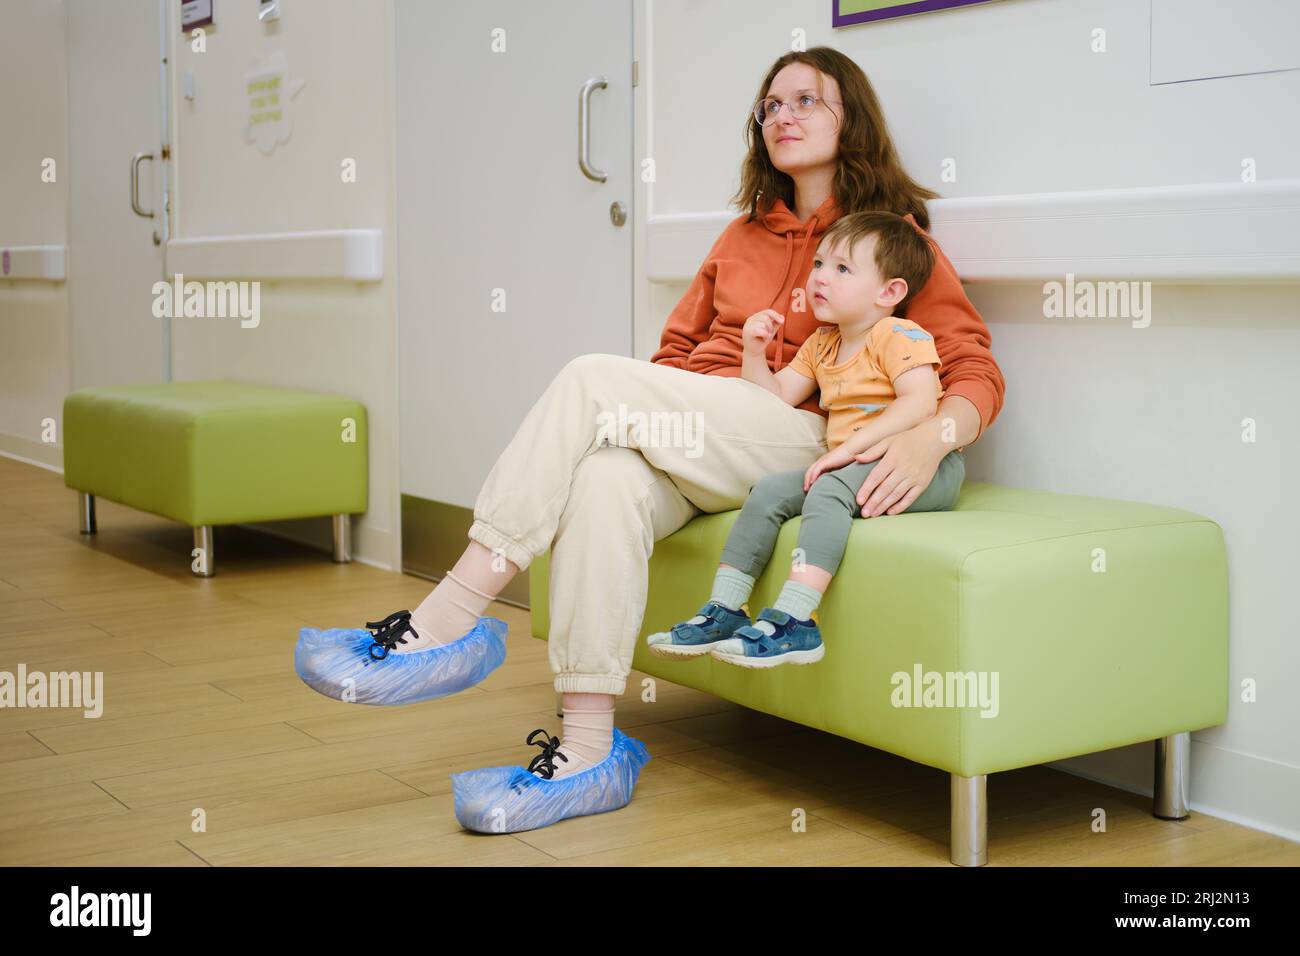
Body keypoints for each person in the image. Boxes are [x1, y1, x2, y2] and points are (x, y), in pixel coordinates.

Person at [294, 46, 1007, 834]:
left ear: (854, 120)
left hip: (803, 438)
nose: (784, 117)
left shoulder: (889, 240)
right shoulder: (740, 236)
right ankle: (588, 751)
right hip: (711, 427)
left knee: (591, 378)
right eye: (770, 106)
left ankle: (449, 616)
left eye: (807, 100)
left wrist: (931, 439)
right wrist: (660, 423)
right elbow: (675, 356)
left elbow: (974, 368)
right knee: (602, 477)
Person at [646, 210, 965, 668]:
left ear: (889, 292)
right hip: (853, 464)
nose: (820, 278)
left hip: (921, 467)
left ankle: (797, 621)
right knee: (769, 489)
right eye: (818, 264)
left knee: (830, 488)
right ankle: (726, 609)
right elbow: (775, 397)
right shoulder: (822, 343)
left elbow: (920, 403)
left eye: (842, 269)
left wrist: (852, 450)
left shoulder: (897, 334)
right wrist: (754, 351)